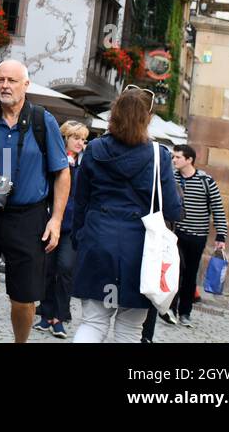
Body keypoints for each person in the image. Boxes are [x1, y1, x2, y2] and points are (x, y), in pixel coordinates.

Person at [0, 59, 70, 343]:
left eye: (11, 80)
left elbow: (62, 172)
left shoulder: (42, 121)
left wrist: (56, 220)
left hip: (28, 217)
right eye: (0, 80)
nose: (5, 86)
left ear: (26, 85)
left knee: (23, 299)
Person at [71, 87, 182, 343]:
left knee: (93, 322)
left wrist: (80, 238)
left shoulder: (94, 149)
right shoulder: (158, 156)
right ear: (147, 118)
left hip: (98, 240)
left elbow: (81, 200)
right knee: (130, 330)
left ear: (114, 114)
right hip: (139, 250)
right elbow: (173, 210)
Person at [160, 144, 227, 327]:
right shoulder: (171, 178)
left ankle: (185, 313)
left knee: (190, 274)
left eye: (177, 157)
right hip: (175, 234)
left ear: (189, 160)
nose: (173, 160)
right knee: (175, 271)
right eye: (173, 157)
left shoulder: (206, 180)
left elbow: (218, 209)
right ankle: (170, 308)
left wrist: (221, 236)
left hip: (197, 236)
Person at [35, 120, 87, 338]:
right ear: (65, 137)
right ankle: (45, 314)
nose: (80, 143)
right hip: (51, 221)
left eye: (84, 139)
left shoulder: (85, 164)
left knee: (65, 269)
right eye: (76, 138)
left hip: (73, 226)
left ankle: (60, 315)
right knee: (47, 269)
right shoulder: (54, 160)